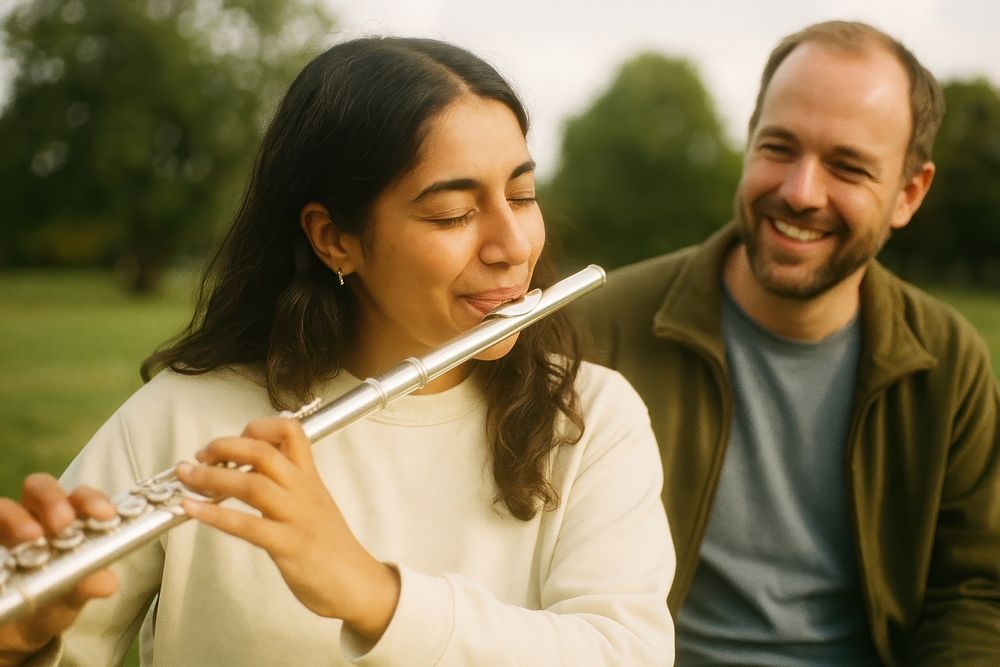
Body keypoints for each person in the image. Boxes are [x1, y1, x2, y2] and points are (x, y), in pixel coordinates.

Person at [0, 37, 675, 665]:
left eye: (522, 195)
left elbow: (624, 651)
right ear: (333, 238)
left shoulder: (591, 414)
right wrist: (26, 642)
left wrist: (375, 596)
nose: (514, 245)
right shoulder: (190, 415)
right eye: (453, 213)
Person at [579, 20, 1000, 666]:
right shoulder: (600, 330)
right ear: (748, 142)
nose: (800, 192)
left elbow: (973, 595)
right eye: (779, 147)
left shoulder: (951, 364)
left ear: (908, 194)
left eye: (847, 166)